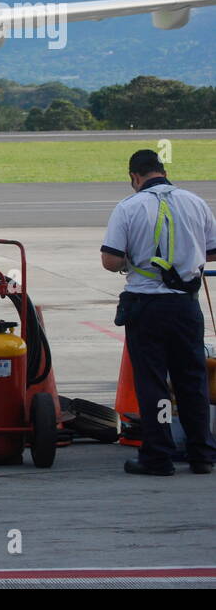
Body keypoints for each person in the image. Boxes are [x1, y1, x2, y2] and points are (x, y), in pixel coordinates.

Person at [100, 149, 216, 476]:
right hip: (185, 306)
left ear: (134, 177)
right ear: (161, 170)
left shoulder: (129, 207)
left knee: (153, 384)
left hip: (146, 306)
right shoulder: (195, 202)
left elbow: (110, 260)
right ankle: (202, 454)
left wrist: (133, 262)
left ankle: (159, 456)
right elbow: (213, 250)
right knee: (192, 380)